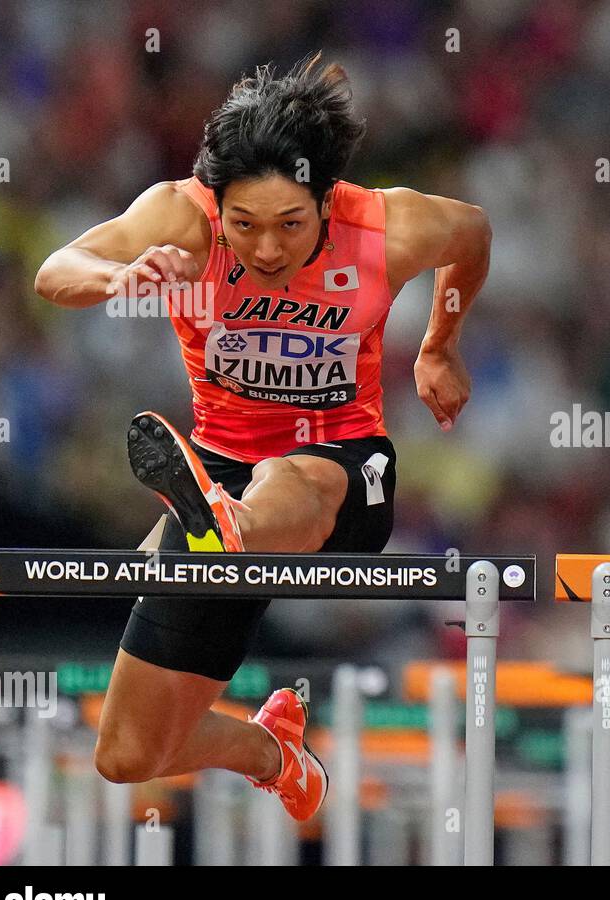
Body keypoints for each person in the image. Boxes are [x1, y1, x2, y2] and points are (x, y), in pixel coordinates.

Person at [34, 54, 491, 820]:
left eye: (290, 225)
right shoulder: (181, 215)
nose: (267, 250)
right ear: (219, 206)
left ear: (327, 199)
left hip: (342, 470)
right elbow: (56, 270)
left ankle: (225, 527)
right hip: (217, 464)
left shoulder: (387, 225)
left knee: (289, 478)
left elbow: (471, 235)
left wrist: (440, 343)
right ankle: (273, 751)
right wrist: (118, 276)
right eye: (244, 226)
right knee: (128, 754)